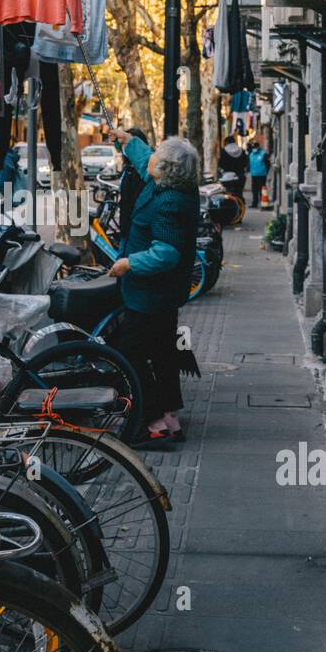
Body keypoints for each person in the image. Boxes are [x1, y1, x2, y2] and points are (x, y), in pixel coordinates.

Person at [106, 130, 200, 444]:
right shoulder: (168, 183)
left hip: (150, 294)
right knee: (162, 352)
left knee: (128, 351)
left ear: (166, 170)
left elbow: (166, 253)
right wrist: (125, 139)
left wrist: (127, 264)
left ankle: (154, 420)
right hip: (163, 295)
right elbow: (146, 157)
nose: (153, 157)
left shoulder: (168, 201)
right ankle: (171, 418)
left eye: (159, 155)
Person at [247, 140, 270, 208]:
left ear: (258, 147)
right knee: (254, 190)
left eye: (255, 147)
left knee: (261, 190)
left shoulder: (263, 154)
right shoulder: (251, 154)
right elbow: (249, 163)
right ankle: (255, 203)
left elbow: (268, 164)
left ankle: (263, 203)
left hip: (262, 175)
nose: (254, 149)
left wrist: (266, 171)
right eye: (253, 147)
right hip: (254, 175)